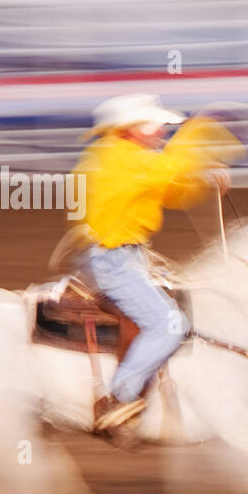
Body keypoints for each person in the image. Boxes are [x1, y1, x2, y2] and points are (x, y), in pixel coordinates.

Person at [71, 93, 231, 437]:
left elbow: (170, 189)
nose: (162, 131)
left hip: (126, 256)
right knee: (169, 324)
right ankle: (119, 398)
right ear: (133, 129)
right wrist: (198, 134)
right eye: (156, 125)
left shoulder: (127, 158)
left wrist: (201, 176)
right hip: (115, 261)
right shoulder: (119, 158)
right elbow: (166, 172)